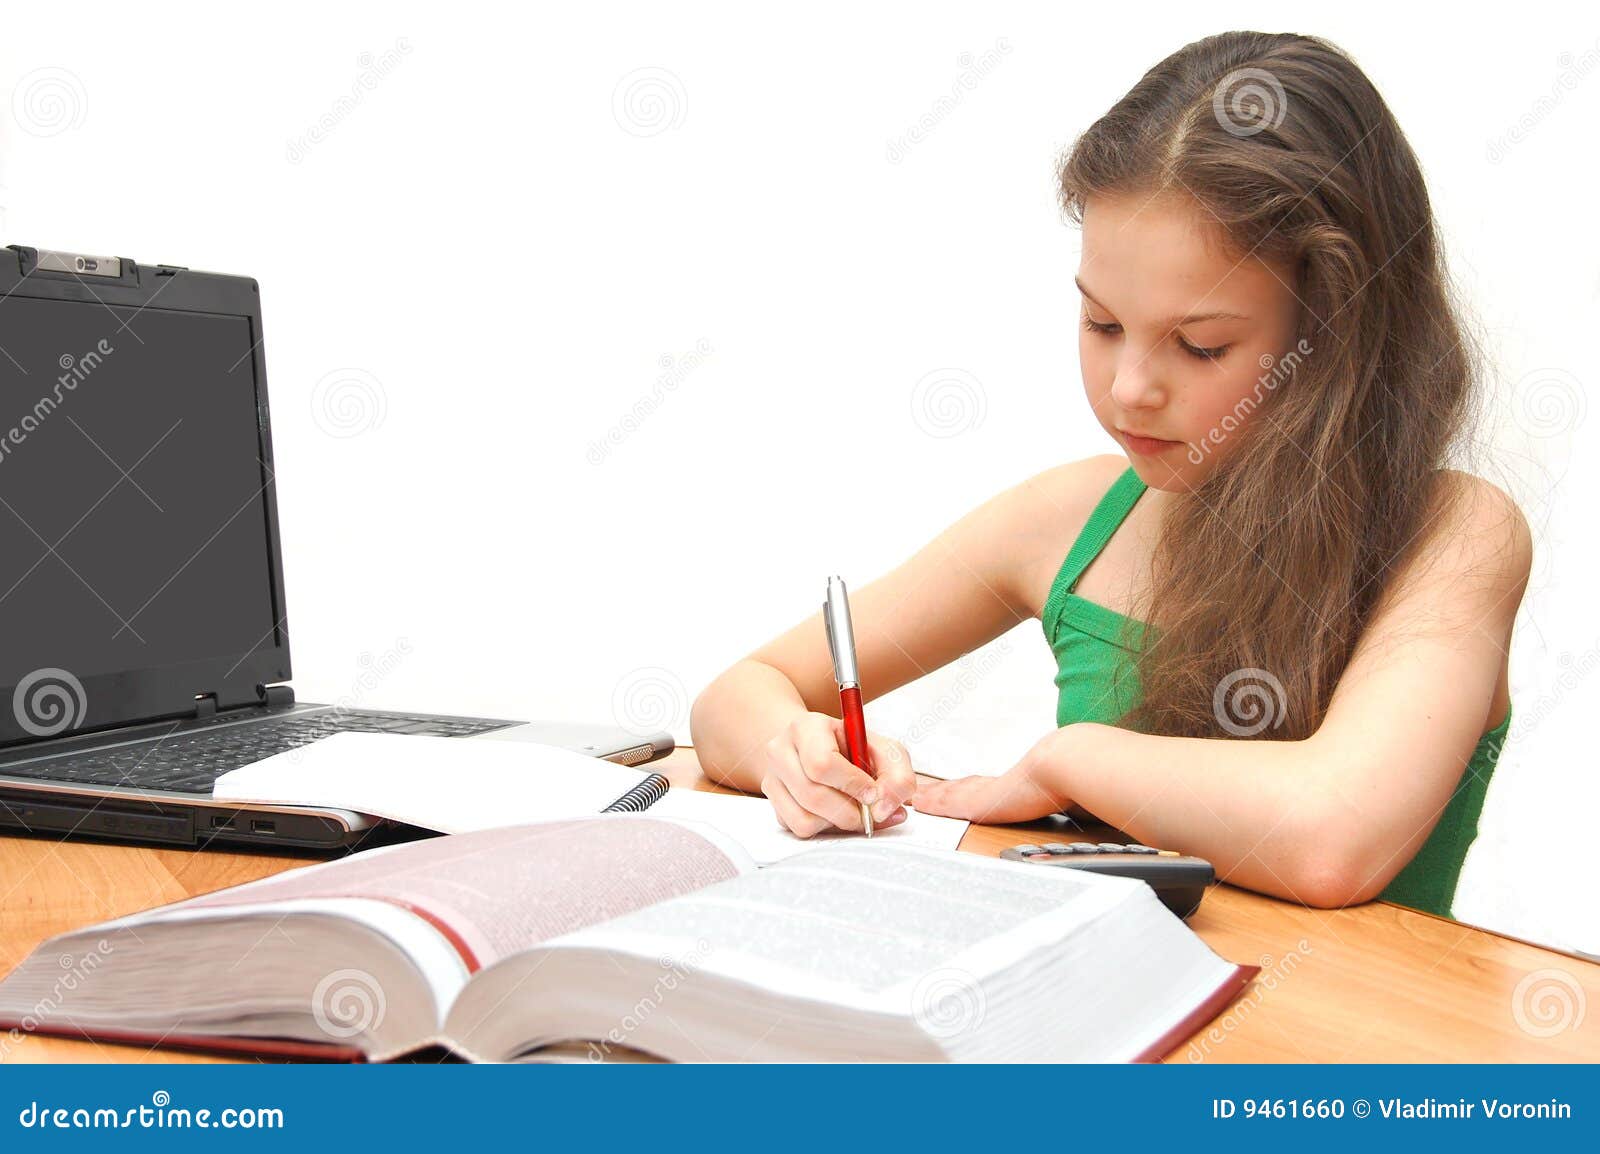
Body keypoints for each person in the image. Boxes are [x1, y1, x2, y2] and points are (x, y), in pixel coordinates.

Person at [688, 31, 1531, 920]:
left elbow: (1333, 840)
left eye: (1201, 344)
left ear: (1337, 338)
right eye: (1101, 324)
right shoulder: (1070, 516)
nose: (1130, 390)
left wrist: (1067, 760)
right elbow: (733, 698)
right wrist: (792, 748)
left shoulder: (1454, 536)